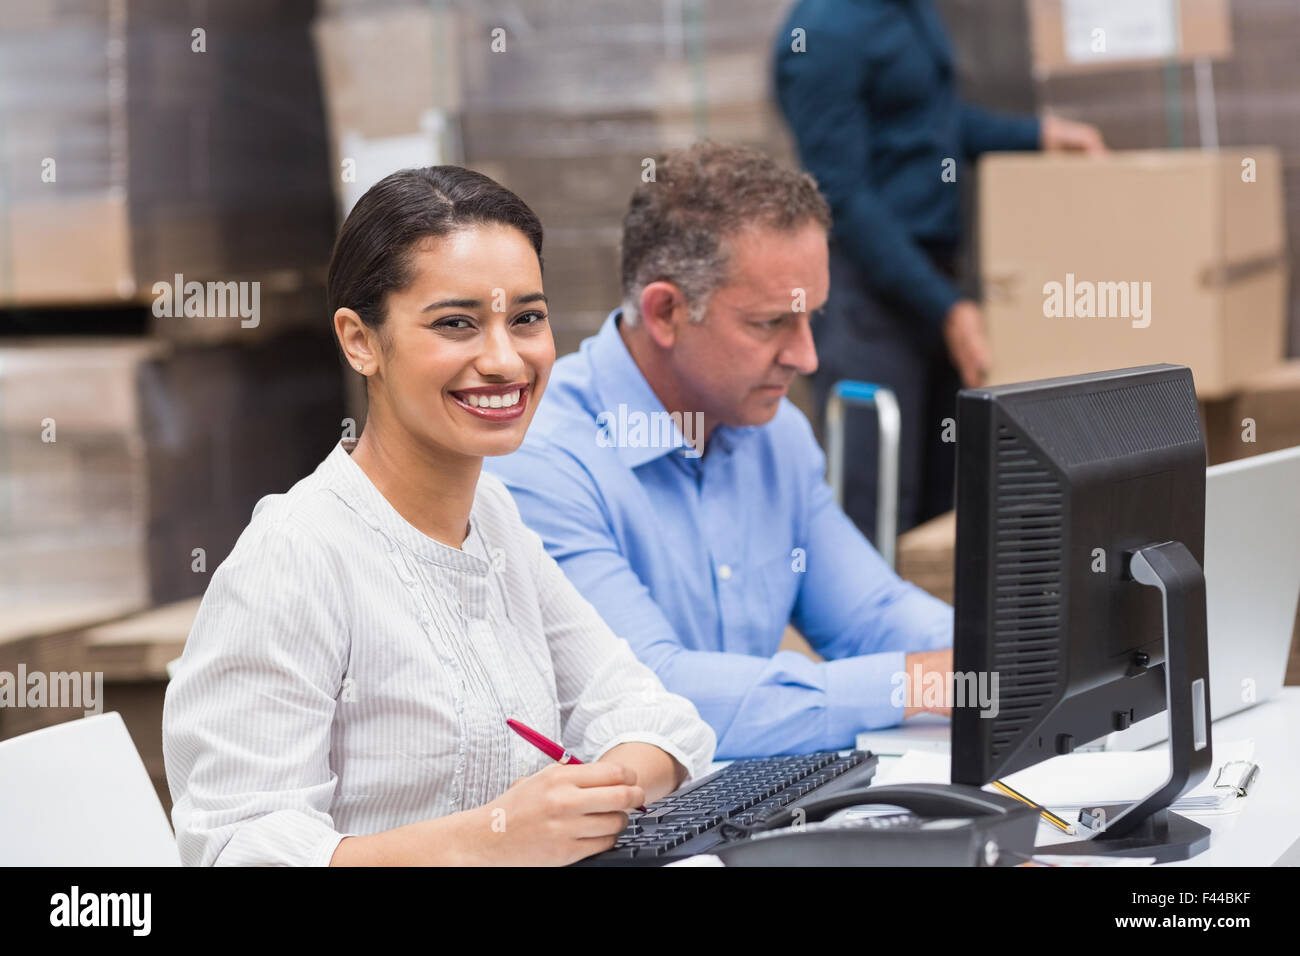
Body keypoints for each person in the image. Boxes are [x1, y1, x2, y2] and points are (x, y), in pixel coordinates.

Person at [162, 166, 715, 867]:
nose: (505, 358)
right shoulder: (296, 555)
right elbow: (238, 848)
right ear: (360, 341)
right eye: (457, 323)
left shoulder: (492, 518)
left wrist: (588, 798)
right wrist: (492, 839)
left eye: (527, 318)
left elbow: (657, 718)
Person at [487, 142, 954, 760]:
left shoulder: (774, 432)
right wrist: (917, 681)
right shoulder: (544, 462)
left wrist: (994, 656)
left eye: (812, 317)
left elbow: (871, 613)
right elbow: (657, 699)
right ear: (666, 312)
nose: (806, 357)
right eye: (771, 324)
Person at [773, 0, 1105, 542]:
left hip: (932, 282)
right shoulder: (822, 35)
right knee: (875, 509)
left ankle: (939, 629)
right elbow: (842, 198)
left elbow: (932, 125)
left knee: (943, 510)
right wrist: (946, 306)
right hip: (867, 295)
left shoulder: (910, 12)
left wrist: (1037, 134)